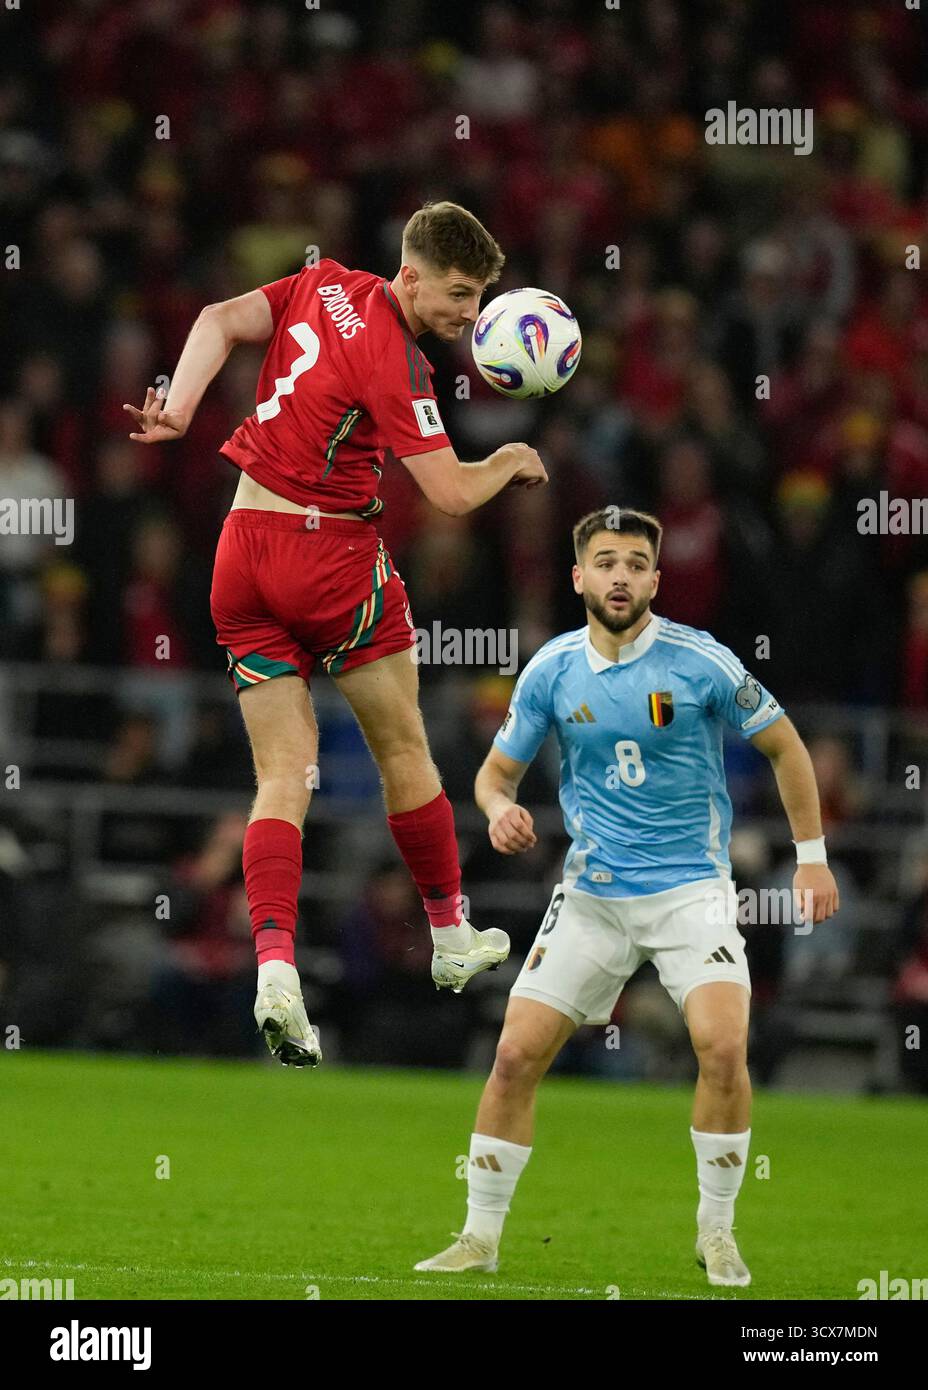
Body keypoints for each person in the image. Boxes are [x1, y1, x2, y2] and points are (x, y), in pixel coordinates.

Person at [124, 201, 548, 1067]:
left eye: (479, 302)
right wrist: (511, 459)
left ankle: (275, 966)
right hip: (330, 559)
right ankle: (448, 931)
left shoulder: (322, 282)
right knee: (404, 748)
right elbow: (452, 496)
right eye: (460, 297)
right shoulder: (397, 362)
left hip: (240, 552)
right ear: (413, 275)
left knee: (282, 775)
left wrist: (179, 406)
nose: (469, 317)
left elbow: (216, 319)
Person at [415, 506, 839, 1288]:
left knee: (721, 1047)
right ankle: (479, 1237)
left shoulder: (700, 662)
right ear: (578, 577)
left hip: (690, 895)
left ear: (655, 578)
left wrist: (811, 860)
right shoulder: (550, 669)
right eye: (605, 562)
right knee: (512, 1056)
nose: (621, 576)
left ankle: (716, 1232)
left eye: (636, 563)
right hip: (594, 895)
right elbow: (493, 773)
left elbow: (786, 747)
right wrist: (499, 808)